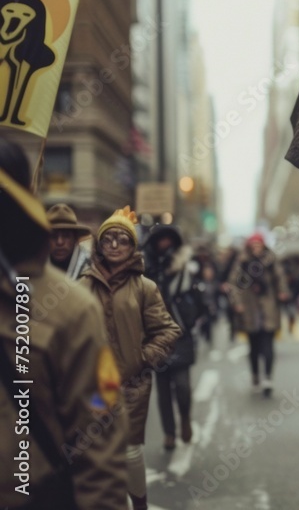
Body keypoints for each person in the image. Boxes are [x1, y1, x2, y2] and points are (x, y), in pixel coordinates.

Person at [0, 141, 128, 509]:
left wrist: (144, 359)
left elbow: (99, 436)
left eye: (66, 236)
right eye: (55, 234)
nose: (60, 241)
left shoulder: (74, 306)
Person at [81, 206, 181, 510]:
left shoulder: (145, 288)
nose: (114, 245)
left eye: (122, 240)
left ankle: (139, 505)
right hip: (94, 386)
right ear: (99, 245)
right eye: (108, 239)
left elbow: (168, 330)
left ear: (132, 246)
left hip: (133, 384)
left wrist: (143, 358)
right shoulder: (81, 287)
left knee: (130, 451)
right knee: (96, 451)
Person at [142, 225, 207, 450]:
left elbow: (199, 299)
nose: (165, 244)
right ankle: (169, 433)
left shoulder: (186, 268)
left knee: (182, 386)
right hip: (156, 335)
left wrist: (191, 318)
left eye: (168, 240)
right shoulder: (146, 270)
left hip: (181, 333)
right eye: (160, 240)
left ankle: (185, 419)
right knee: (163, 389)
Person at [227, 233, 289, 396]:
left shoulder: (271, 259)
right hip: (249, 308)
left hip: (268, 306)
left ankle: (267, 378)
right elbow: (233, 283)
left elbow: (280, 277)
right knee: (254, 345)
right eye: (253, 244)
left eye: (258, 244)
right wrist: (237, 303)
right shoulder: (242, 261)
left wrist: (282, 292)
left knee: (268, 343)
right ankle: (255, 375)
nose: (256, 247)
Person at [46, 203, 93, 279]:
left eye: (66, 236)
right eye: (53, 236)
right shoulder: (32, 266)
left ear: (75, 239)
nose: (60, 242)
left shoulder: (91, 268)